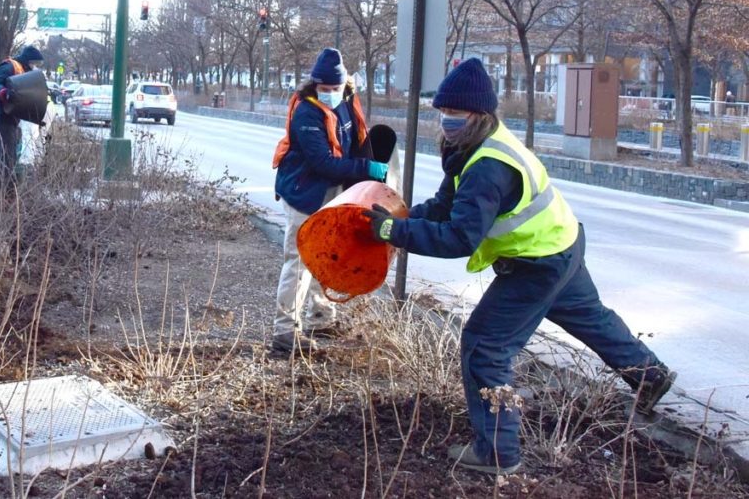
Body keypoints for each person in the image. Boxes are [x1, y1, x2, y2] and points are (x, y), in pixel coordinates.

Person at [363, 58, 675, 475]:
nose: (446, 120)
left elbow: (459, 236)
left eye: (454, 114)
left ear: (478, 114)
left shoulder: (489, 167)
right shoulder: (477, 147)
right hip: (562, 242)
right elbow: (443, 207)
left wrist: (394, 234)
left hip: (538, 262)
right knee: (590, 318)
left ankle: (497, 451)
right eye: (442, 112)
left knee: (485, 347)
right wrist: (398, 219)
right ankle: (649, 375)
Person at [271, 47, 388, 356]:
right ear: (315, 85)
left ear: (344, 84)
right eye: (324, 89)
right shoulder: (307, 113)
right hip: (303, 194)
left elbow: (351, 145)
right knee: (300, 262)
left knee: (325, 254)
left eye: (335, 88)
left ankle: (320, 317)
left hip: (329, 193)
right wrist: (365, 169)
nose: (330, 94)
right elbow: (324, 163)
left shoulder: (347, 102)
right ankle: (285, 332)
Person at [0, 45, 44, 209]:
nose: (36, 66)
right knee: (2, 157)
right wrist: (3, 92)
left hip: (8, 118)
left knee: (9, 157)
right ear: (28, 61)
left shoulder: (24, 72)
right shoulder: (9, 67)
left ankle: (4, 196)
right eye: (35, 63)